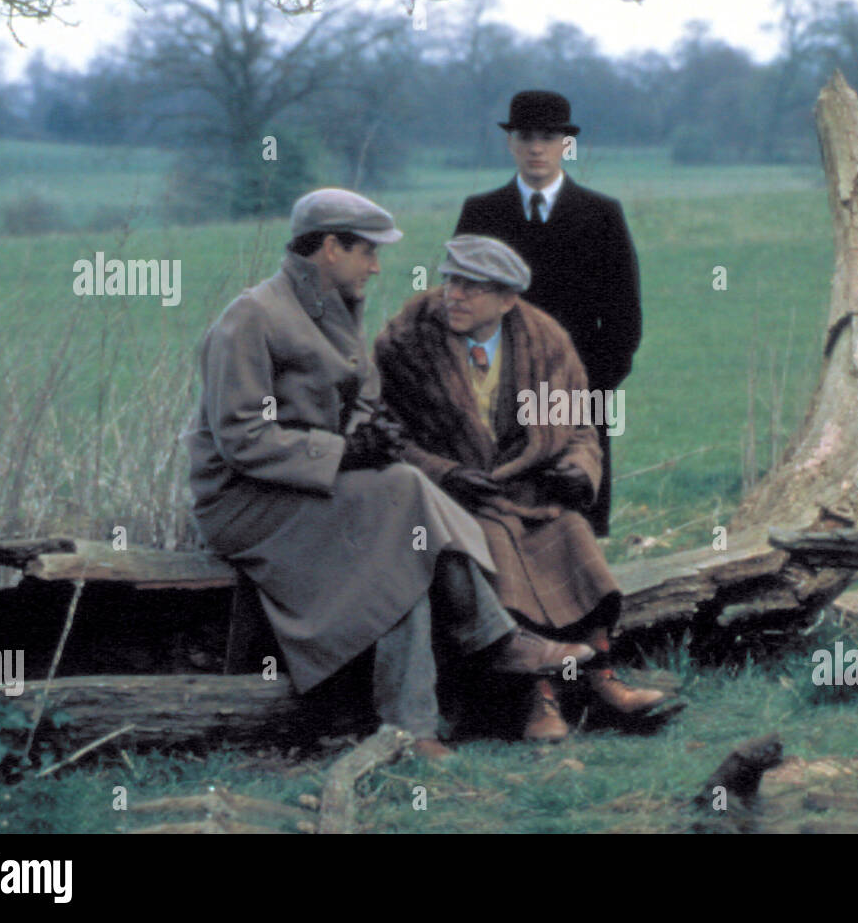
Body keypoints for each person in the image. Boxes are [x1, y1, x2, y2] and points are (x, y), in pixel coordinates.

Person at [182, 189, 595, 759]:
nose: (377, 267)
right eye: (367, 252)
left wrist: (378, 437)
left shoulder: (334, 309)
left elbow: (363, 404)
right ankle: (492, 643)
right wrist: (345, 454)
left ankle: (414, 727)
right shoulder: (251, 317)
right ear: (330, 247)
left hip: (307, 487)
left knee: (402, 536)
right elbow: (241, 438)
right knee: (401, 495)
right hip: (245, 502)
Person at [375, 235, 666, 743]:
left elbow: (579, 429)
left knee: (573, 531)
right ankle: (540, 698)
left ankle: (600, 676)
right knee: (496, 542)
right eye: (451, 281)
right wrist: (442, 471)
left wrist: (578, 470)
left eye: (474, 287)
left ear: (508, 299)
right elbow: (386, 434)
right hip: (455, 497)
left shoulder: (543, 340)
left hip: (531, 488)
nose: (455, 295)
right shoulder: (407, 342)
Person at [453, 89, 641, 537]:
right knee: (498, 524)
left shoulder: (602, 215)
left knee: (574, 526)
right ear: (510, 143)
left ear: (565, 145)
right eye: (525, 137)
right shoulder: (480, 213)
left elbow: (623, 323)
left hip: (577, 396)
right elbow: (456, 308)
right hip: (493, 397)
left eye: (548, 137)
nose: (536, 148)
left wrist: (580, 394)